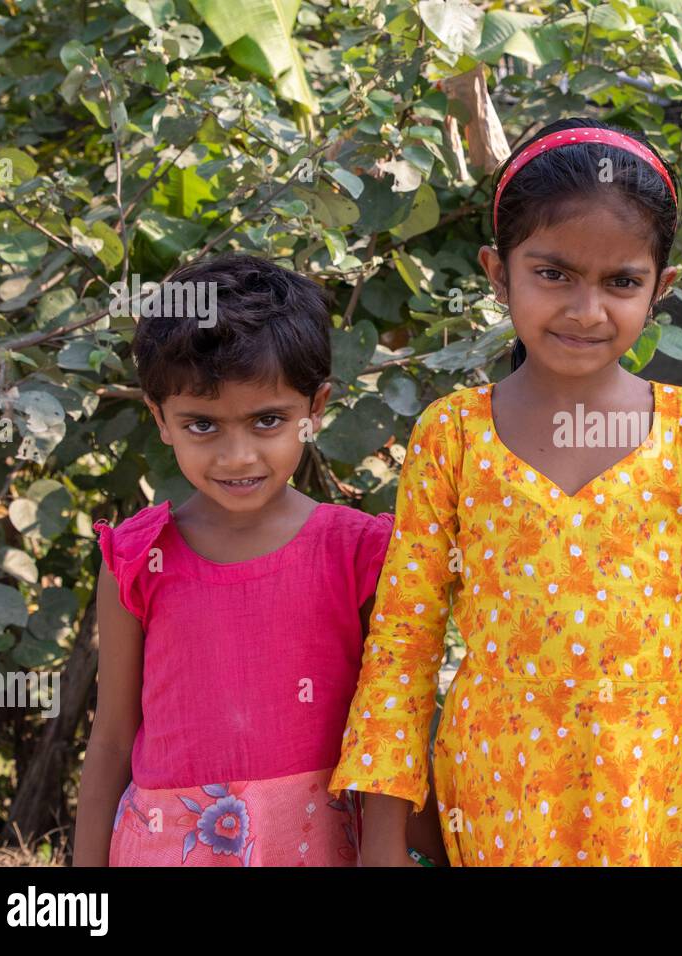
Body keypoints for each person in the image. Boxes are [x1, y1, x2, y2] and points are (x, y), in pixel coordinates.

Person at [329, 119, 682, 866]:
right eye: (554, 274)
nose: (587, 311)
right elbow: (403, 649)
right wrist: (380, 845)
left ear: (660, 288)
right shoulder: (451, 436)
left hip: (659, 802)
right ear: (497, 271)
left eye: (621, 282)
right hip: (500, 803)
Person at [74, 254, 403, 866]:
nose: (236, 456)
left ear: (316, 410)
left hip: (314, 845)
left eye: (268, 420)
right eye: (202, 425)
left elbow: (390, 729)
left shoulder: (359, 553)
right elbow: (113, 738)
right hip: (166, 848)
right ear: (160, 419)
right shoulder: (137, 558)